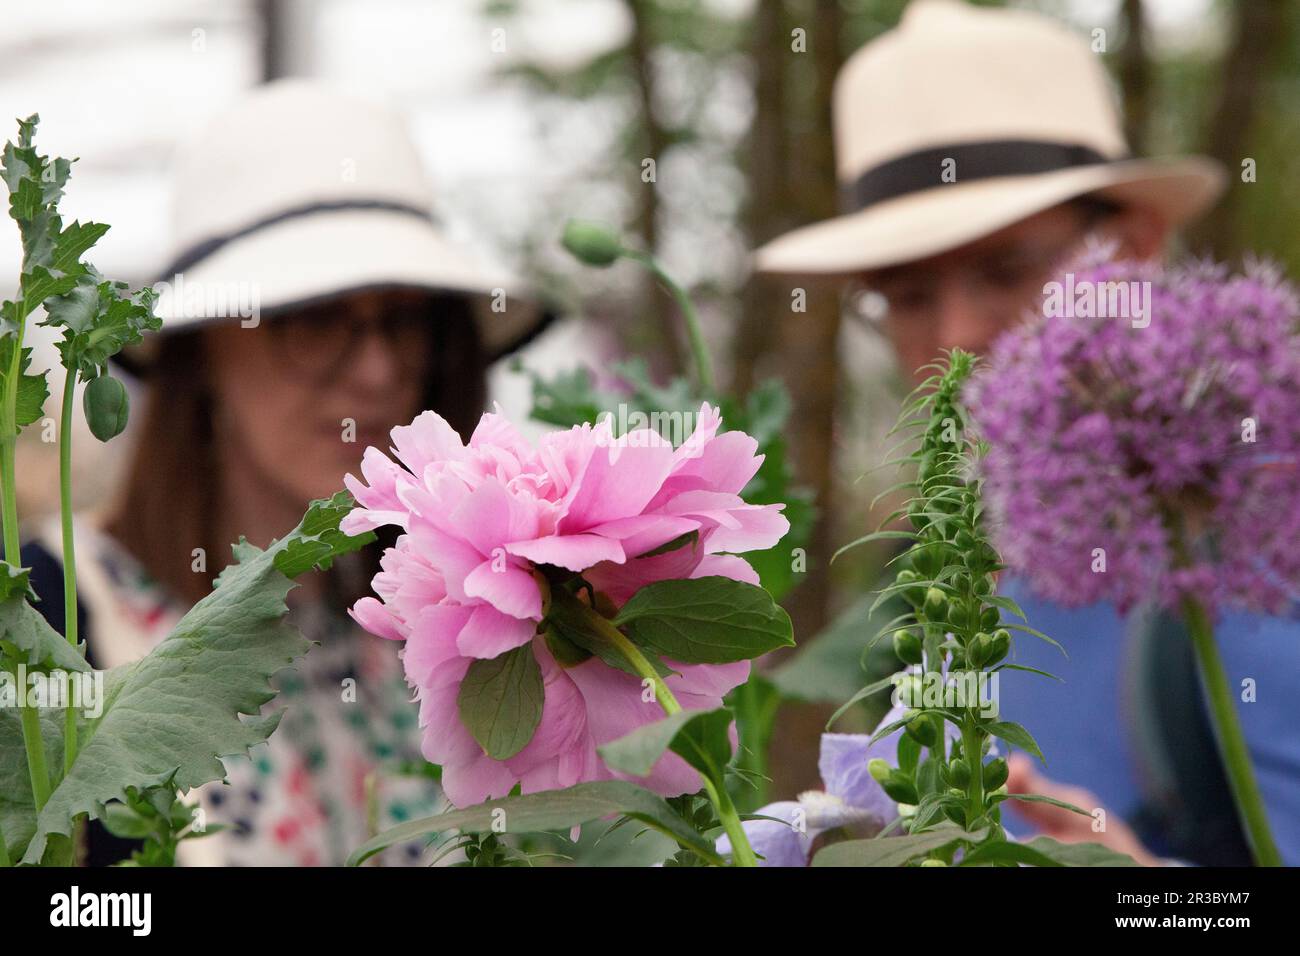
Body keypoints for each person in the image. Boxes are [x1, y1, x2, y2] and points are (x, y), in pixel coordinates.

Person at [756, 0, 1297, 865]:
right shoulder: (916, 579)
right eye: (907, 295)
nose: (958, 333)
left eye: (1008, 269)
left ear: (1133, 246)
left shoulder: (1264, 516)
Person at [23, 79, 551, 865]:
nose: (376, 373)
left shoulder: (452, 638)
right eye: (314, 316)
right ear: (204, 348)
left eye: (404, 319)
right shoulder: (45, 624)